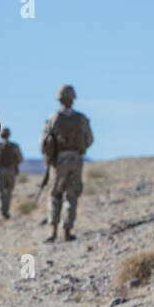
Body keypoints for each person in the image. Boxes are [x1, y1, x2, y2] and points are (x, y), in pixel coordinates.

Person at [40, 85, 92, 241]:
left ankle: (52, 230)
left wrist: (50, 158)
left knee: (55, 194)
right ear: (72, 99)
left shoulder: (53, 118)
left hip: (58, 160)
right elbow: (89, 139)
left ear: (60, 99)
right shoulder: (81, 119)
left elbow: (44, 142)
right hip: (76, 159)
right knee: (71, 195)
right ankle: (67, 231)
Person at [0, 127, 23, 218]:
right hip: (11, 171)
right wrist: (14, 166)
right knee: (8, 192)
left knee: (0, 192)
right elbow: (20, 158)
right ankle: (5, 209)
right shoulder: (14, 146)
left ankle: (3, 210)